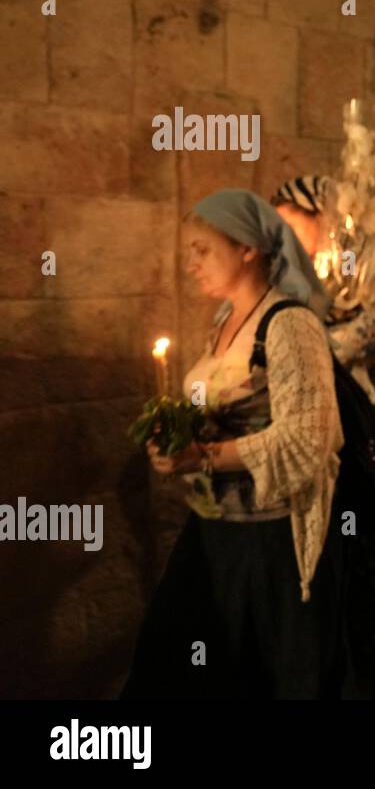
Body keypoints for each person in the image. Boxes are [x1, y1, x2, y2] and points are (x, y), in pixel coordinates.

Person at [122, 190, 346, 698]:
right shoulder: (225, 323)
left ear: (248, 247)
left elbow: (306, 439)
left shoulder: (289, 325)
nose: (191, 263)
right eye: (190, 251)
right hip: (215, 533)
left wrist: (202, 456)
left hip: (269, 548)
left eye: (202, 249)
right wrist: (176, 436)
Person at [272, 173, 375, 695]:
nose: (284, 233)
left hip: (368, 413)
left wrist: (314, 349)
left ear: (320, 216)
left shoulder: (362, 255)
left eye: (293, 222)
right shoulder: (286, 270)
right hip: (318, 413)